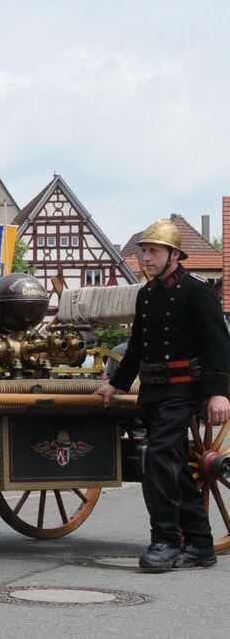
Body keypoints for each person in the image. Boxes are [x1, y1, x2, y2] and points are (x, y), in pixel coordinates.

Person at [95, 220, 230, 571]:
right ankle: (200, 544)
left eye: (153, 251)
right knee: (173, 466)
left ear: (174, 255)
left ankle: (167, 541)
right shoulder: (146, 294)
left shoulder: (198, 291)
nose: (145, 258)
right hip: (154, 393)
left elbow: (218, 344)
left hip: (185, 391)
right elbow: (138, 346)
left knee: (156, 460)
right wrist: (116, 383)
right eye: (143, 251)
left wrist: (218, 393)